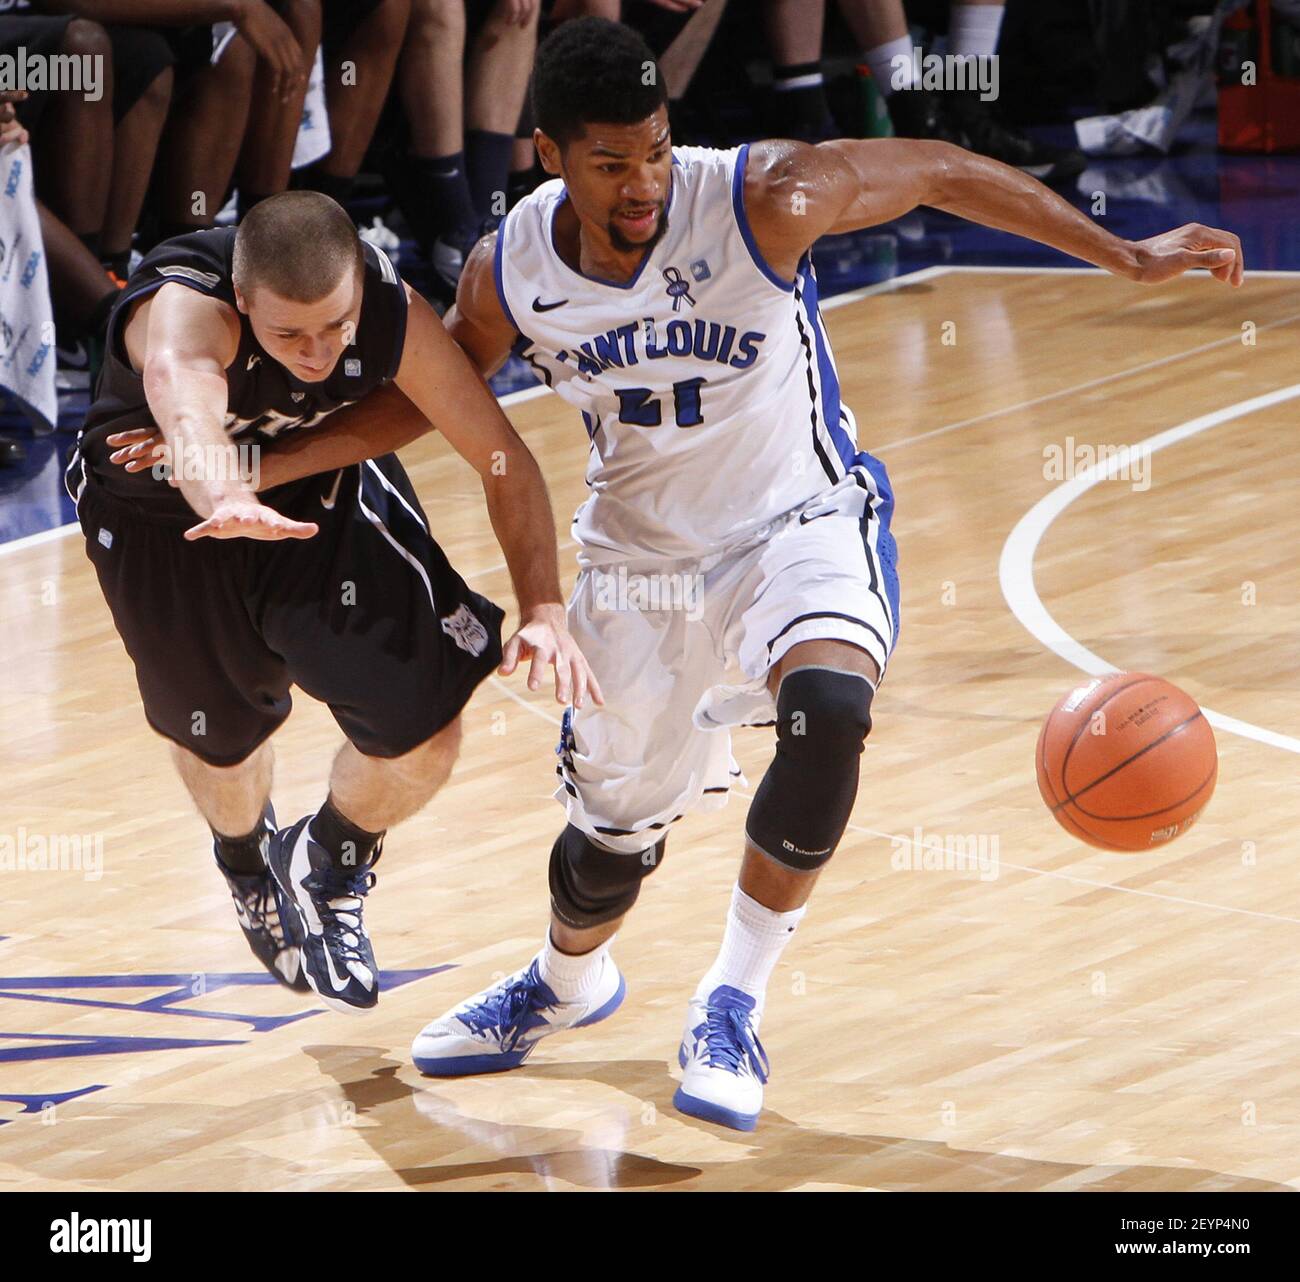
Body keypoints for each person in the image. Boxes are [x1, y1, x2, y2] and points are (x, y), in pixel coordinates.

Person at [109, 20, 1243, 1128]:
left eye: (654, 146)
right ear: (548, 156)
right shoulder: (512, 272)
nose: (643, 179)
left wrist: (1122, 251)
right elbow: (438, 405)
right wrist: (265, 458)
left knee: (829, 712)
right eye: (610, 160)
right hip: (639, 559)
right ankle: (563, 982)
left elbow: (940, 170)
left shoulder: (764, 199)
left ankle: (732, 1000)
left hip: (797, 518)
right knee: (606, 849)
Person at [68, 191, 599, 1016]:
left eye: (335, 327)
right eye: (288, 335)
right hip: (161, 525)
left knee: (423, 733)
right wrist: (222, 493)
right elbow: (187, 408)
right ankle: (247, 864)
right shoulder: (184, 318)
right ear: (242, 304)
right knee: (222, 749)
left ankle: (334, 859)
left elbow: (500, 456)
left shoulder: (388, 306)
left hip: (316, 499)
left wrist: (544, 607)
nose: (316, 355)